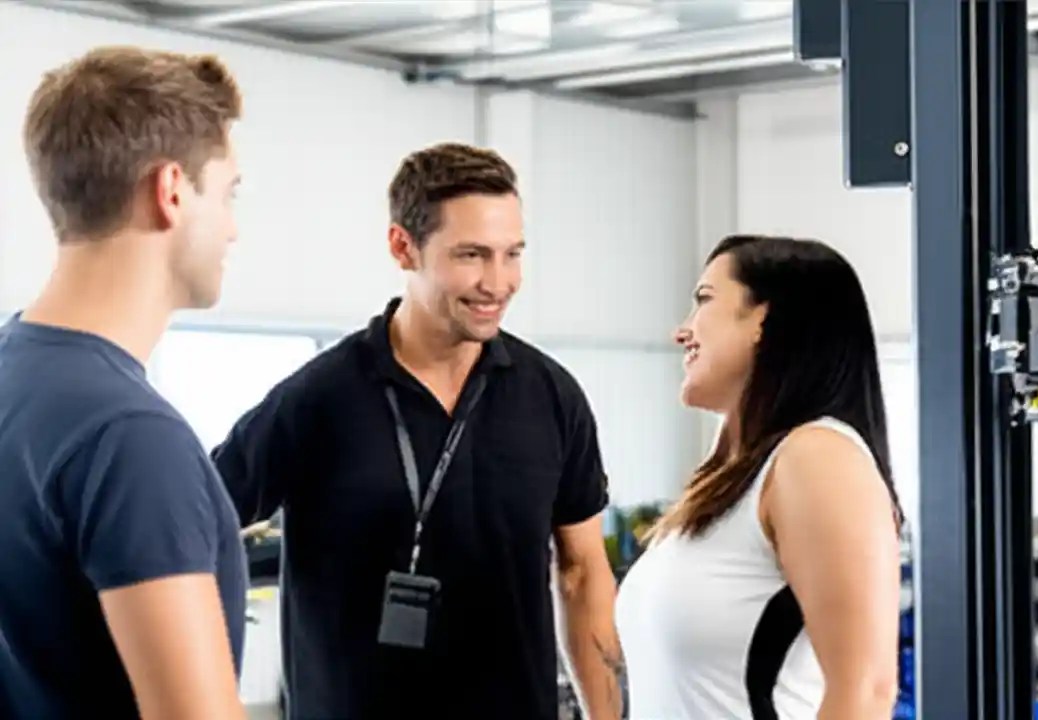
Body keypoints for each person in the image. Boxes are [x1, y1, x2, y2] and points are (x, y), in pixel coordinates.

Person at [211, 142, 624, 719]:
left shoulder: (552, 396)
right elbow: (194, 528)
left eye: (512, 255)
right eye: (472, 255)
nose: (498, 282)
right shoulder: (318, 399)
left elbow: (581, 574)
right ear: (403, 247)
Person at [0, 46, 248, 719]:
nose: (232, 229)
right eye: (228, 194)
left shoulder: (14, 375)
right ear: (172, 191)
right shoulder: (130, 437)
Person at [616, 234, 903, 719]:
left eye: (704, 300)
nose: (681, 332)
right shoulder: (729, 478)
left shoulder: (817, 457)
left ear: (762, 321)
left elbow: (867, 691)